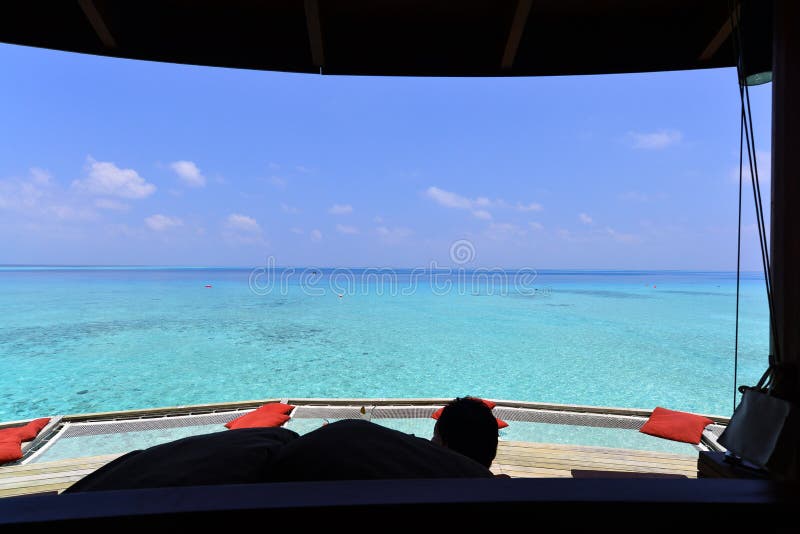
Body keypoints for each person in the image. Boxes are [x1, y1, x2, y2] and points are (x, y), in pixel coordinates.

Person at [432, 397, 499, 468]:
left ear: (445, 446)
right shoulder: (499, 479)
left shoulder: (429, 477)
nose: (431, 442)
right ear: (493, 453)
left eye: (435, 436)